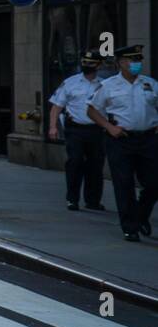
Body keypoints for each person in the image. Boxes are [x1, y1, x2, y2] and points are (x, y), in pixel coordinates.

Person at [87, 45, 158, 242]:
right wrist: (109, 127)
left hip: (148, 139)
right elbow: (92, 110)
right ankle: (130, 227)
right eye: (131, 60)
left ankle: (141, 215)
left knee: (153, 183)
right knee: (124, 183)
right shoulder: (109, 85)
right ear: (120, 63)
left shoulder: (150, 84)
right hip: (121, 139)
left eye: (138, 60)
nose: (136, 64)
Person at [49, 50, 107, 211]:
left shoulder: (105, 85)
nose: (87, 65)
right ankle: (72, 199)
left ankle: (93, 200)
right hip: (75, 129)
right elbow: (56, 107)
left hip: (97, 130)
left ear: (99, 65)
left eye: (91, 63)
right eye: (85, 62)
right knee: (75, 162)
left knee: (95, 165)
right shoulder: (70, 83)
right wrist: (53, 127)